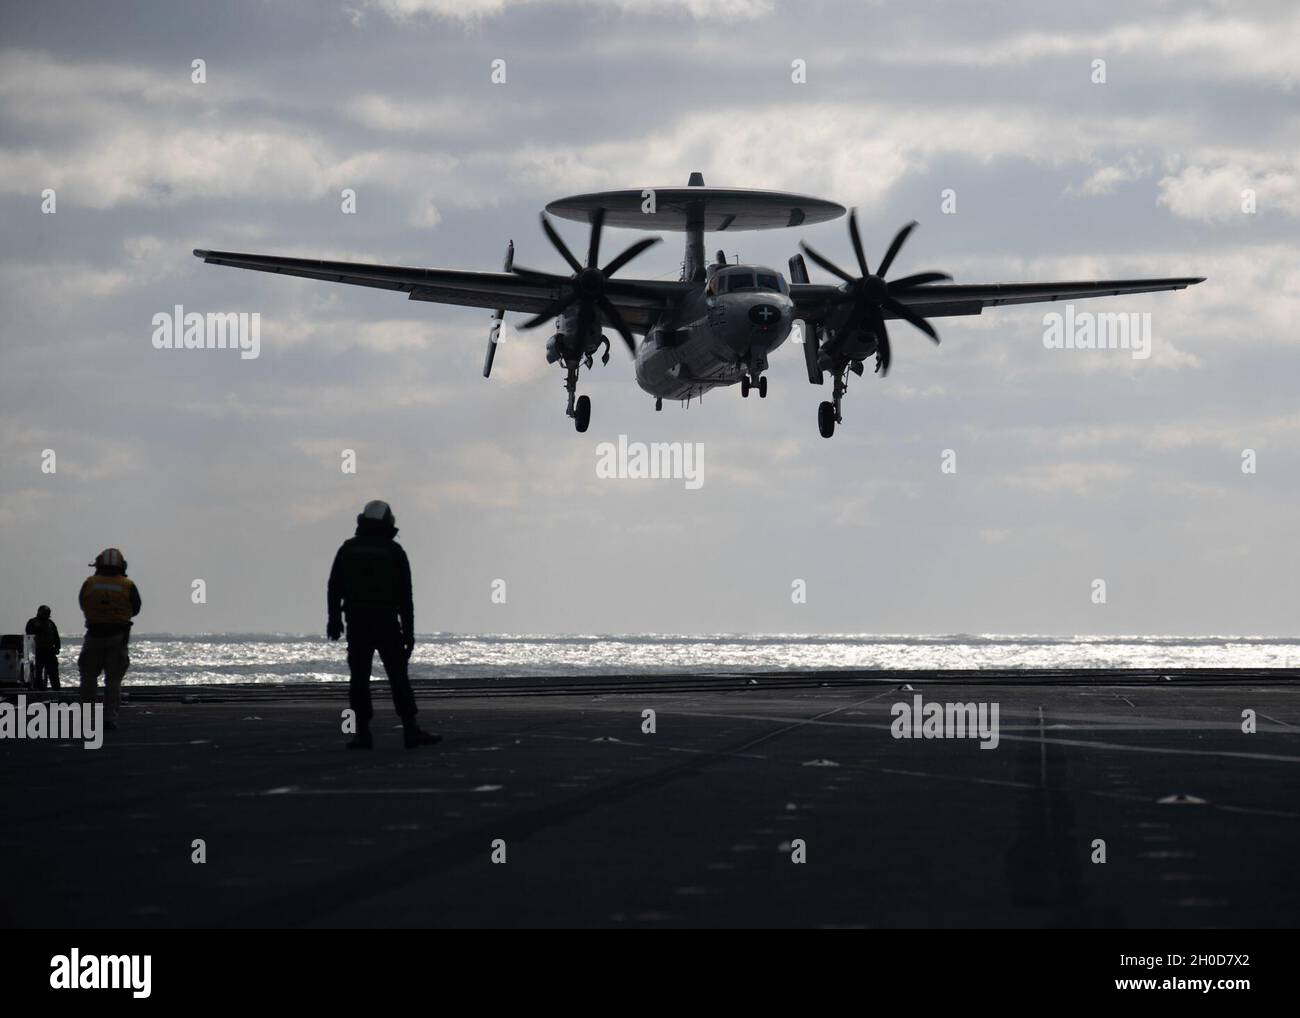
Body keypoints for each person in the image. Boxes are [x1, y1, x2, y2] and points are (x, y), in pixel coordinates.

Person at [327, 500, 439, 750]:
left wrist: (334, 619)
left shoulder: (348, 549)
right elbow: (405, 596)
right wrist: (408, 632)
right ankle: (411, 730)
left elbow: (334, 587)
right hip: (387, 623)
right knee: (398, 678)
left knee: (359, 680)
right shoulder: (394, 551)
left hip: (357, 623)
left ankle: (362, 734)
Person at [78, 548, 141, 730]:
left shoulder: (90, 583)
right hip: (118, 637)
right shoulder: (127, 585)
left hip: (93, 636)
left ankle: (85, 717)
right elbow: (136, 608)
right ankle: (109, 718)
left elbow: (83, 602)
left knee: (88, 678)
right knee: (113, 681)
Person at [25, 605, 62, 690]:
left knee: (53, 672)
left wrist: (57, 647)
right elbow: (29, 634)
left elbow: (56, 637)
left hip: (49, 651)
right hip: (38, 651)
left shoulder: (50, 623)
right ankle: (40, 689)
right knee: (38, 672)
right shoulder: (33, 622)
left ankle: (56, 689)